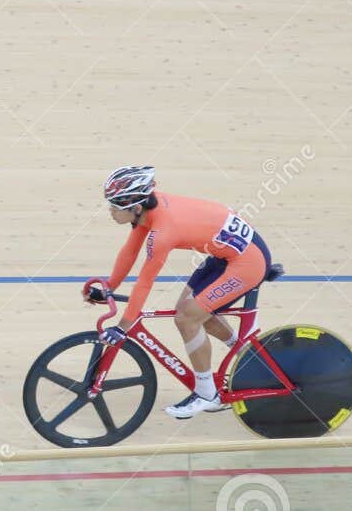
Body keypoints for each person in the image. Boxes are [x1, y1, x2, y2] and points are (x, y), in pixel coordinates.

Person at [87, 166, 272, 419]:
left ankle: (208, 394)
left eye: (116, 205)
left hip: (247, 263)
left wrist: (123, 326)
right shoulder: (147, 211)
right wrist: (110, 287)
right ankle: (247, 356)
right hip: (227, 254)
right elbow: (129, 252)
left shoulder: (163, 231)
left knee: (187, 318)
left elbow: (145, 282)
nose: (110, 210)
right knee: (190, 310)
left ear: (136, 207)